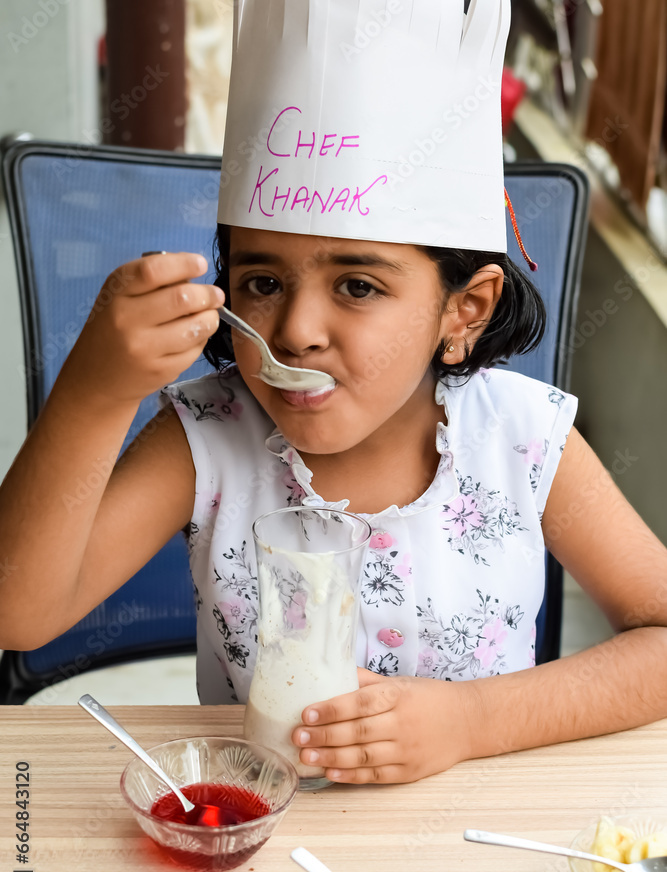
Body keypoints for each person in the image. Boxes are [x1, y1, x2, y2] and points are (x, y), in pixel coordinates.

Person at [1, 0, 666, 784]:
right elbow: (22, 611)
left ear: (465, 309)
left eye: (355, 284)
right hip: (258, 832)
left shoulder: (520, 439)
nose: (296, 330)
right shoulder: (208, 435)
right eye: (262, 280)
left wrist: (472, 720)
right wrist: (94, 391)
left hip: (474, 841)